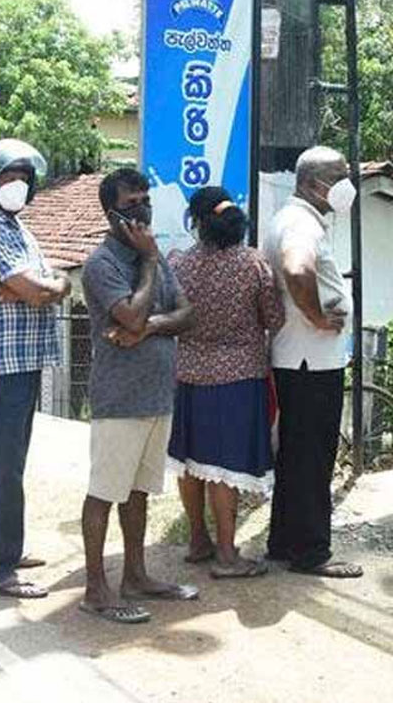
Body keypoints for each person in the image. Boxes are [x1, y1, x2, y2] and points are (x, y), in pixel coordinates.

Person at [79, 168, 198, 624]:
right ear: (111, 212)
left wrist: (148, 327)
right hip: (119, 398)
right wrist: (147, 264)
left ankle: (136, 576)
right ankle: (96, 589)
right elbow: (128, 315)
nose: (143, 209)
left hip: (157, 394)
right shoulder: (103, 264)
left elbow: (187, 315)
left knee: (138, 492)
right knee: (104, 493)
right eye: (132, 204)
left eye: (146, 199)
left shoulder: (154, 254)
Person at [0, 139, 72, 598]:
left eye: (24, 178)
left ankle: (8, 548)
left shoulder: (18, 228)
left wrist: (43, 287)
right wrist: (38, 288)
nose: (18, 185)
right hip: (3, 363)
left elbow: (55, 283)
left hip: (24, 360)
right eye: (8, 178)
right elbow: (35, 289)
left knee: (14, 464)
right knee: (4, 468)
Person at [167, 187, 284, 579]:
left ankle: (198, 539)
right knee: (224, 467)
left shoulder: (179, 264)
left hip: (188, 375)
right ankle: (227, 555)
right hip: (239, 378)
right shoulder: (253, 264)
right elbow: (274, 319)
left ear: (198, 222)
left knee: (190, 462)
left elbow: (169, 315)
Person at [263, 146, 364, 579]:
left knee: (296, 454)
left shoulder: (294, 218)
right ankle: (311, 552)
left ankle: (284, 541)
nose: (346, 185)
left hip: (301, 357)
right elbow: (297, 269)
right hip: (310, 361)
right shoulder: (300, 224)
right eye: (338, 176)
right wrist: (318, 316)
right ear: (311, 183)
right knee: (312, 458)